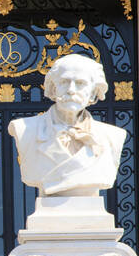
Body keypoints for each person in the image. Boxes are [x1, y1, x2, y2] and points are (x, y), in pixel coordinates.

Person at [7, 54, 126, 196]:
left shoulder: (112, 136)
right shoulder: (26, 130)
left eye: (80, 83)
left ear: (94, 92)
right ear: (53, 87)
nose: (71, 89)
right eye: (64, 82)